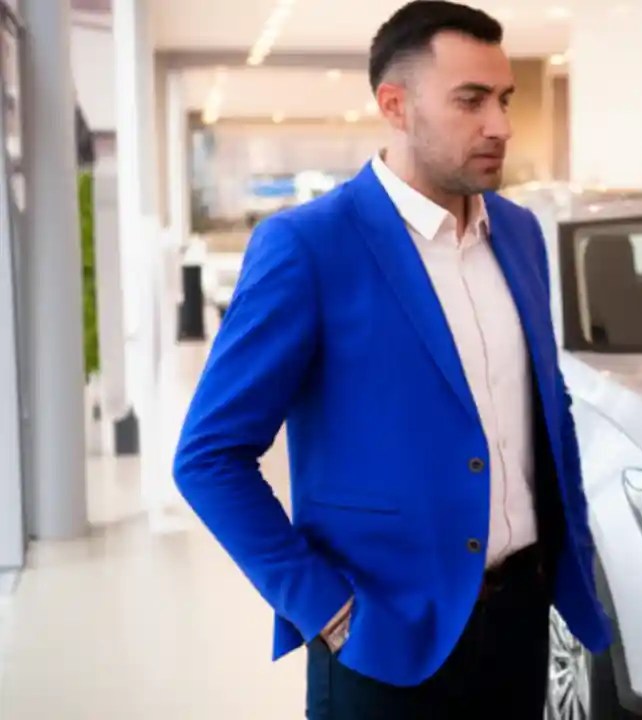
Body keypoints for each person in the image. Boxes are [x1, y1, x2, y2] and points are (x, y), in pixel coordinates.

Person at [171, 2, 611, 716]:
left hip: (519, 623)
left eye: (504, 100)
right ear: (395, 106)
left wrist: (570, 565)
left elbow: (542, 412)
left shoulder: (522, 235)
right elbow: (209, 457)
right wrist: (328, 612)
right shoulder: (310, 246)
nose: (499, 124)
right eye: (470, 101)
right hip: (383, 640)